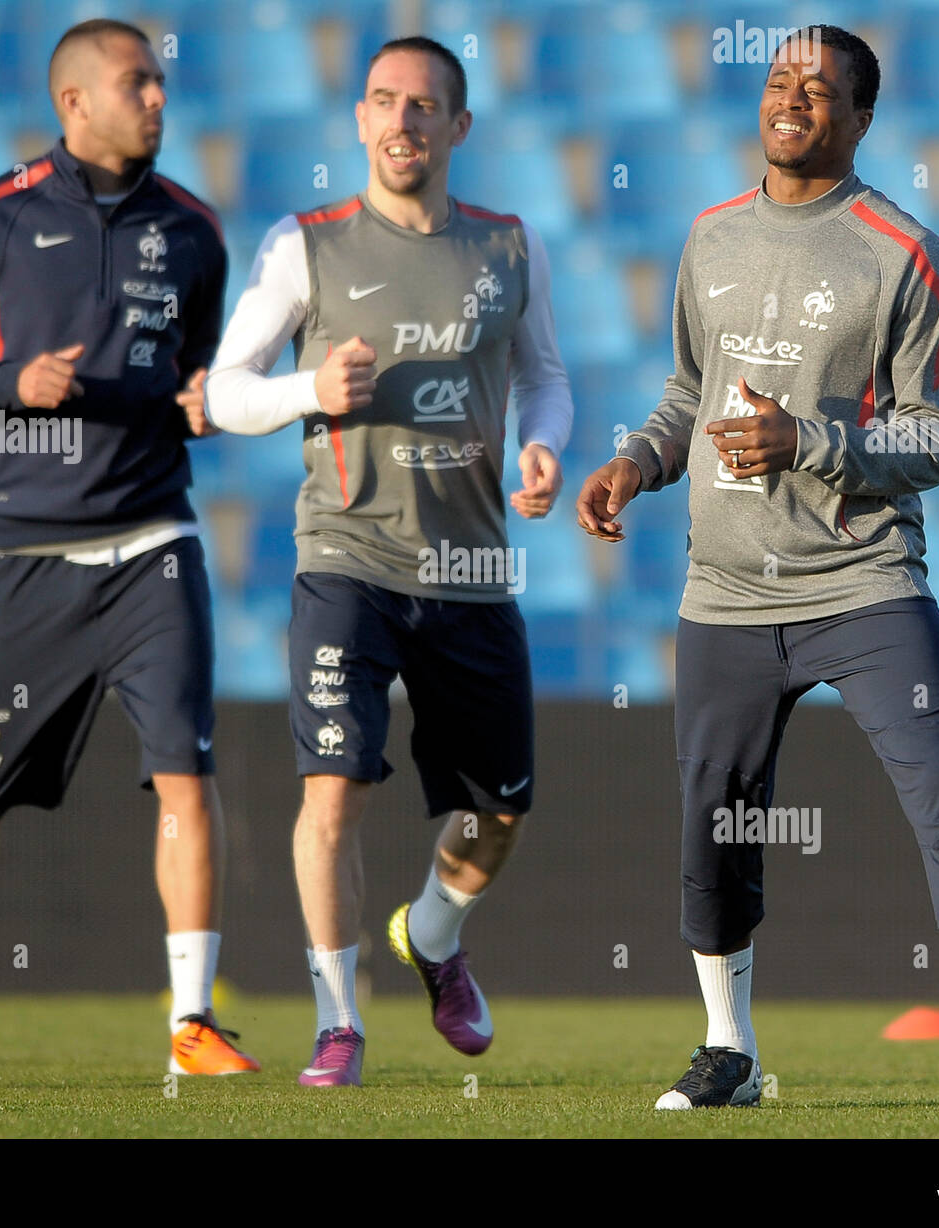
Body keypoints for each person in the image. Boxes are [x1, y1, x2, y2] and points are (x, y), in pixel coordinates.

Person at [576, 25, 939, 1111]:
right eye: (776, 79)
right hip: (725, 594)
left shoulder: (903, 250)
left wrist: (811, 441)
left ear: (858, 115)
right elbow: (685, 393)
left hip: (865, 584)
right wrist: (635, 462)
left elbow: (937, 440)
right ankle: (729, 1053)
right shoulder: (707, 237)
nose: (789, 96)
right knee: (714, 823)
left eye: (817, 85)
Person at [0, 19, 257, 1077]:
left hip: (153, 544)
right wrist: (9, 386)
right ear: (74, 103)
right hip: (22, 556)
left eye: (164, 84)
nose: (160, 100)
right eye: (138, 84)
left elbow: (206, 367)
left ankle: (191, 1016)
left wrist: (208, 403)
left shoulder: (195, 230)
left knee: (185, 770)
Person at [206, 36, 572, 1086]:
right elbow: (226, 389)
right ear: (359, 121)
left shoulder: (509, 246)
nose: (401, 122)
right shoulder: (304, 244)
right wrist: (307, 393)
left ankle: (436, 935)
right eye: (382, 102)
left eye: (423, 106)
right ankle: (339, 1021)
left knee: (496, 811)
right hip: (346, 561)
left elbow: (545, 375)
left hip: (470, 573)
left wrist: (543, 444)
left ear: (459, 128)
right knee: (333, 790)